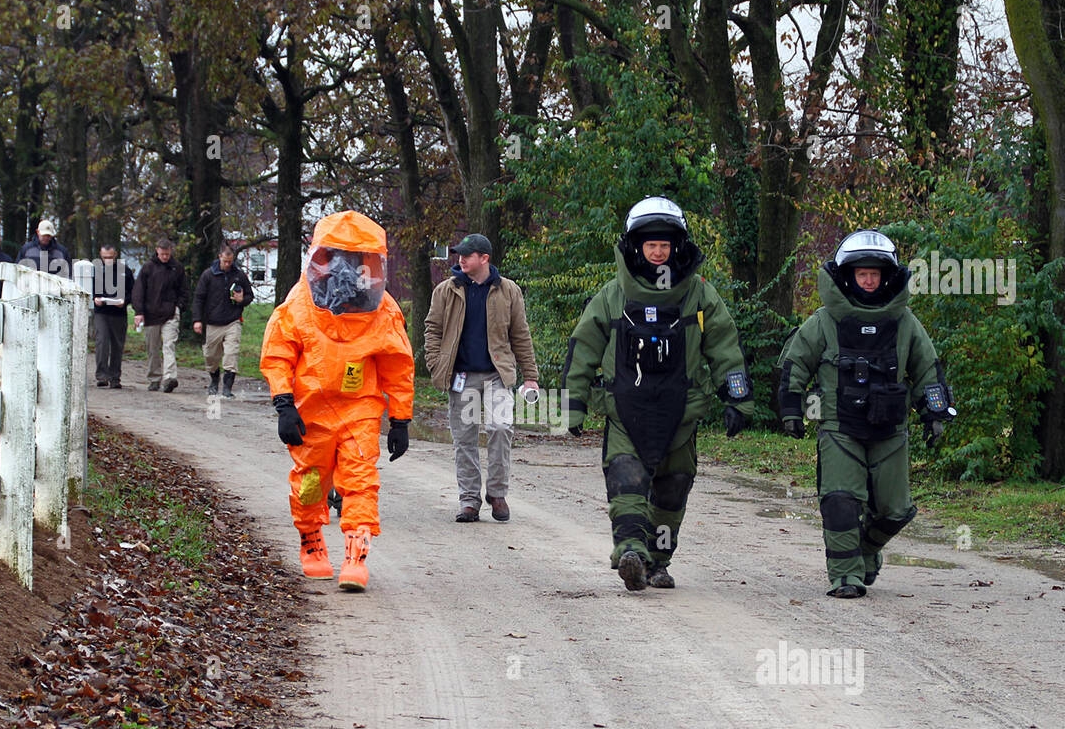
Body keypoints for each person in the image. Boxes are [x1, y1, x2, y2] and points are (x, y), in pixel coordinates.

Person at [562, 197, 754, 591]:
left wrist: (737, 398)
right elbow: (583, 349)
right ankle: (631, 551)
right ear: (636, 247)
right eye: (651, 245)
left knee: (673, 487)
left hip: (680, 411)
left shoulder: (699, 295)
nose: (658, 252)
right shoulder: (612, 296)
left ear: (677, 247)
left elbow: (724, 346)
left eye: (665, 245)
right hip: (625, 408)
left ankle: (658, 561)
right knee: (626, 479)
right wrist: (573, 404)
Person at [777, 229, 956, 598]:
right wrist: (791, 409)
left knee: (896, 511)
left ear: (887, 275)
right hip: (840, 428)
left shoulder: (905, 322)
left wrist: (934, 414)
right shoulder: (824, 321)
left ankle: (865, 550)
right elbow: (794, 365)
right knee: (840, 501)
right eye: (862, 274)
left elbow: (927, 371)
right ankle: (845, 577)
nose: (869, 280)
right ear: (848, 276)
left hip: (891, 431)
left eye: (875, 273)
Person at [260, 210, 415, 591]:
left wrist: (400, 419)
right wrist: (284, 403)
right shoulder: (299, 303)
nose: (346, 270)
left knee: (360, 482)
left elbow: (397, 365)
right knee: (311, 480)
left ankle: (355, 556)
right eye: (338, 258)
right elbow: (278, 353)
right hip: (311, 408)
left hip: (359, 407)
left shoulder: (382, 309)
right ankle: (311, 540)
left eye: (355, 259)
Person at [424, 232, 538, 523]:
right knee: (465, 440)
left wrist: (531, 376)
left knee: (501, 429)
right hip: (460, 377)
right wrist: (436, 364)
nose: (460, 259)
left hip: (497, 375)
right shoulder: (445, 290)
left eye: (467, 255)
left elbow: (521, 335)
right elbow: (432, 330)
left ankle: (497, 494)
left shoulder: (508, 290)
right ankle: (470, 501)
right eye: (459, 254)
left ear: (484, 258)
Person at [192, 243, 255, 398]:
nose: (227, 264)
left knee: (231, 354)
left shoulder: (239, 275)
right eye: (225, 261)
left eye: (230, 261)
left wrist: (242, 300)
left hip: (232, 321)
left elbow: (249, 296)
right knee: (210, 356)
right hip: (212, 322)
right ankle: (214, 379)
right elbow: (199, 298)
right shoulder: (208, 275)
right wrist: (197, 320)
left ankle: (227, 388)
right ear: (220, 257)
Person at [131, 238, 190, 392]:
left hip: (170, 313)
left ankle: (170, 377)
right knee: (152, 348)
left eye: (167, 254)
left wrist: (179, 307)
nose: (165, 257)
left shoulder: (177, 268)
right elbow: (139, 291)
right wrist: (139, 312)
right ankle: (154, 378)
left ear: (171, 251)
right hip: (151, 314)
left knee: (169, 345)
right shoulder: (148, 268)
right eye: (163, 254)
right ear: (157, 250)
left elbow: (184, 290)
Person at [90, 245, 135, 388]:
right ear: (100, 255)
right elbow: (89, 289)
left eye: (110, 257)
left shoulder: (125, 271)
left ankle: (115, 377)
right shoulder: (95, 270)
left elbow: (132, 291)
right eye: (105, 257)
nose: (108, 260)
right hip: (101, 311)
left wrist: (125, 301)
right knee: (102, 342)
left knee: (117, 345)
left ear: (115, 255)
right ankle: (102, 375)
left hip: (118, 313)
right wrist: (95, 298)